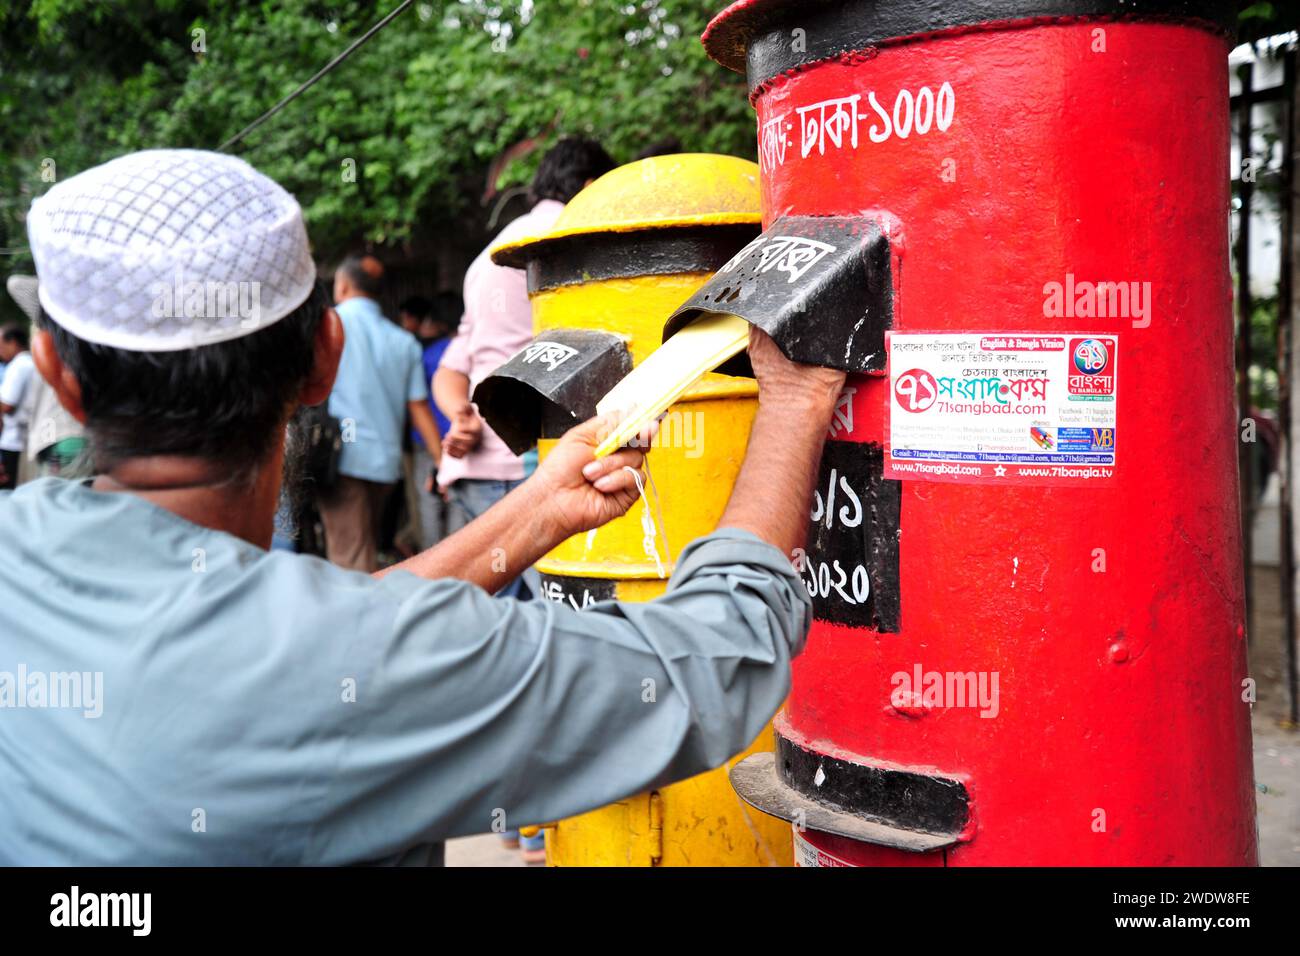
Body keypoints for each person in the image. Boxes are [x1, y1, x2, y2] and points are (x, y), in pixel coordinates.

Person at [0, 148, 844, 866]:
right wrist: (796, 396)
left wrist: (536, 513)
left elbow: (326, 633)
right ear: (325, 359)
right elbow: (723, 657)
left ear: (56, 373)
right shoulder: (359, 666)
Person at [434, 138, 615, 577]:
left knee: (487, 621)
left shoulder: (486, 257)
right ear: (591, 185)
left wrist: (462, 415)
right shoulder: (574, 237)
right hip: (534, 468)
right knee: (551, 612)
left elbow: (452, 368)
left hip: (474, 470)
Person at [320, 255, 443, 572]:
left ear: (343, 286)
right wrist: (443, 461)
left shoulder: (326, 328)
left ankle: (358, 618)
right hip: (385, 466)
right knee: (367, 549)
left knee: (349, 560)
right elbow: (418, 408)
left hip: (341, 461)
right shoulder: (403, 342)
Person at [6, 276, 89, 480]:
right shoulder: (98, 336)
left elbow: (17, 284)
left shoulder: (62, 331)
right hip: (71, 438)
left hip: (64, 438)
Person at [0, 323, 34, 490]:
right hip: (25, 438)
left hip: (13, 441)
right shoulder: (31, 362)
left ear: (12, 342)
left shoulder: (18, 366)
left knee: (9, 489)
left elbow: (6, 405)